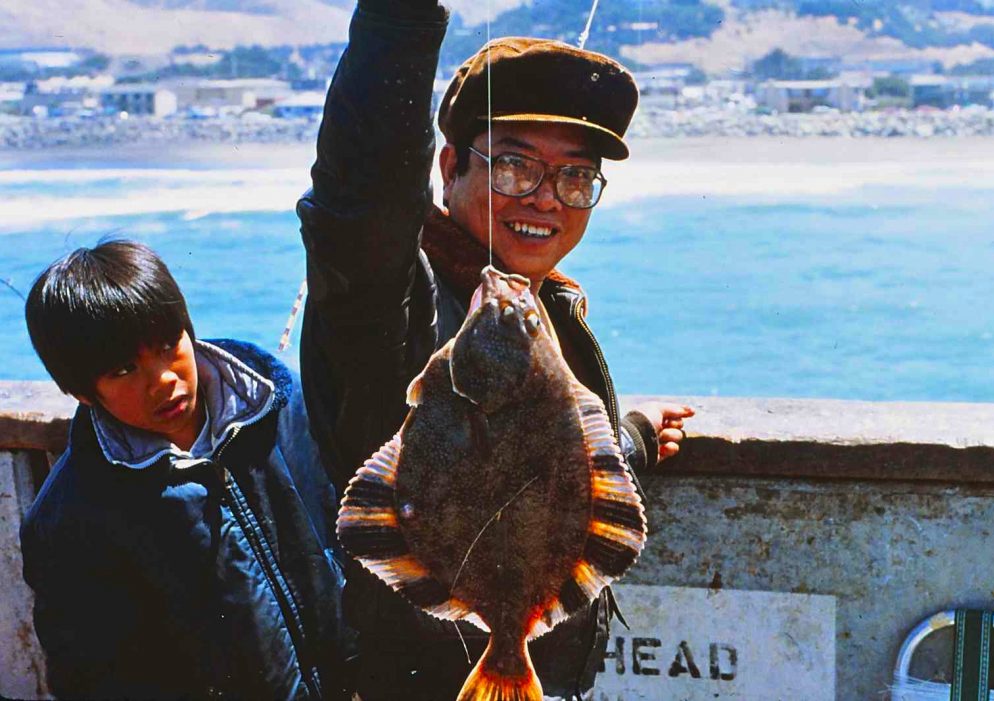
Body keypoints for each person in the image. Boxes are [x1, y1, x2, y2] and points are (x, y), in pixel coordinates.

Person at [297, 0, 693, 697]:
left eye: (575, 176)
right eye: (514, 165)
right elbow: (360, 202)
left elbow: (535, 466)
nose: (546, 198)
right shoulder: (393, 303)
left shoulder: (534, 305)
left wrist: (629, 436)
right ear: (448, 167)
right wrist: (401, 19)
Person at [20, 240, 354, 700]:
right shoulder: (70, 521)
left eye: (168, 344)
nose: (163, 379)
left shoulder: (281, 406)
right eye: (123, 369)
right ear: (79, 390)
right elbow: (97, 681)